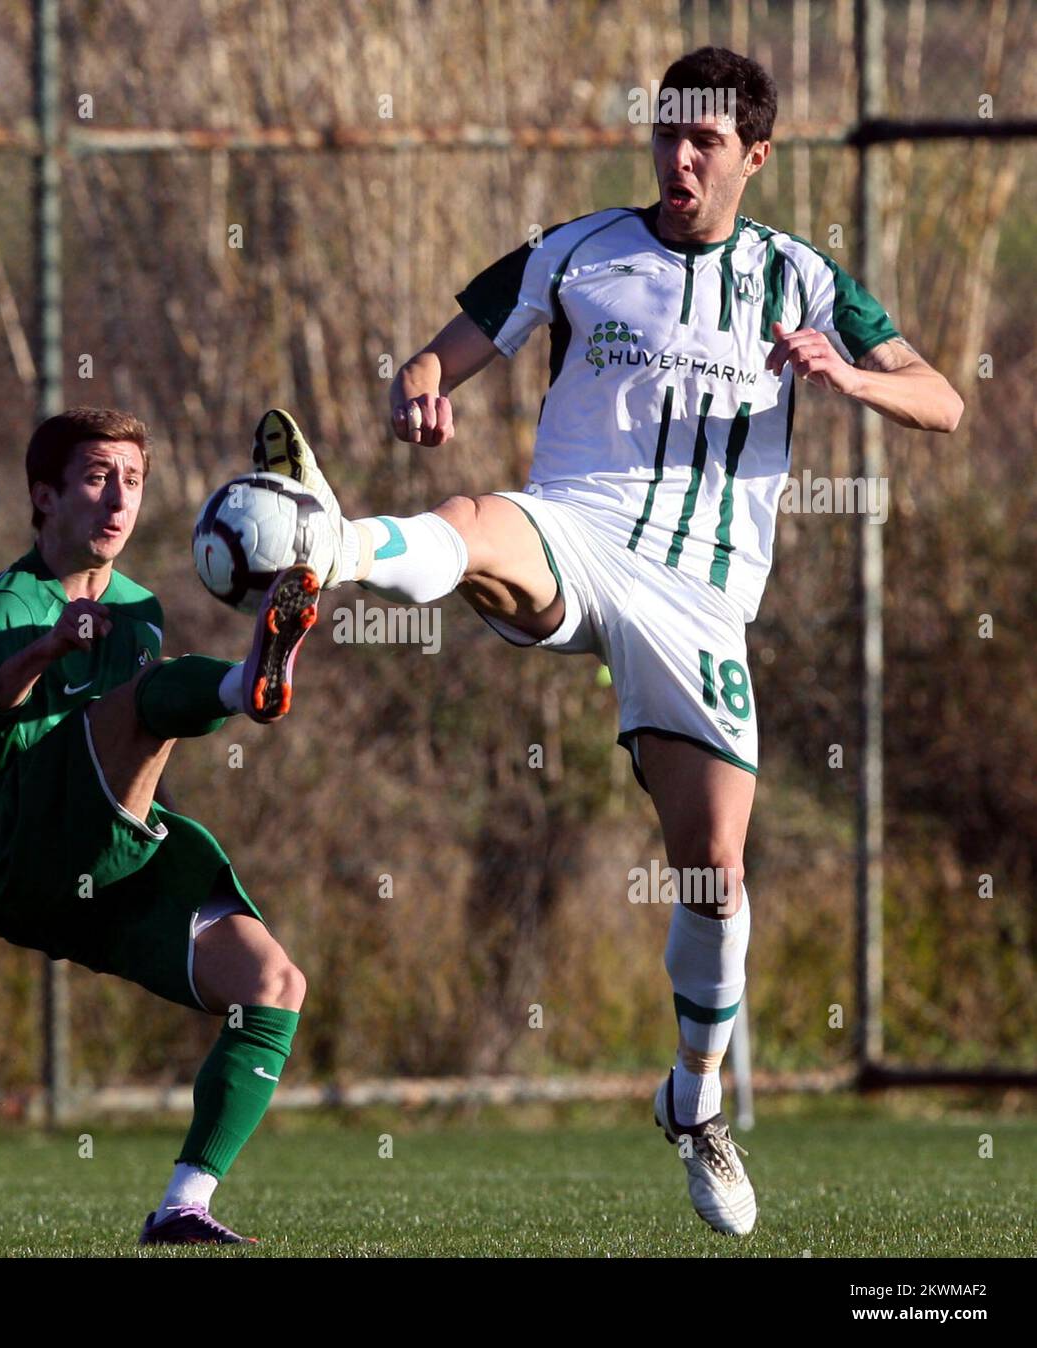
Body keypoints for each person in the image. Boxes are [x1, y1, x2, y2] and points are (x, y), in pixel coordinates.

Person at [250, 47, 963, 1235]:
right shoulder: (576, 250)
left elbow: (941, 397)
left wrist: (846, 373)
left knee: (714, 872)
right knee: (475, 525)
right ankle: (326, 544)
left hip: (700, 599)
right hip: (574, 526)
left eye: (705, 144)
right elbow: (439, 353)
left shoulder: (798, 277)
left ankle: (694, 1100)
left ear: (754, 156)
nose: (677, 160)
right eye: (665, 136)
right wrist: (418, 389)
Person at [0, 406, 320, 1245]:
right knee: (155, 698)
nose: (119, 500)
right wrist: (44, 649)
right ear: (44, 496)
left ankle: (183, 1204)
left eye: (135, 481)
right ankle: (248, 676)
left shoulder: (139, 611)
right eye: (95, 477)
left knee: (272, 986)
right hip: (14, 850)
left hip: (102, 858)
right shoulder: (8, 604)